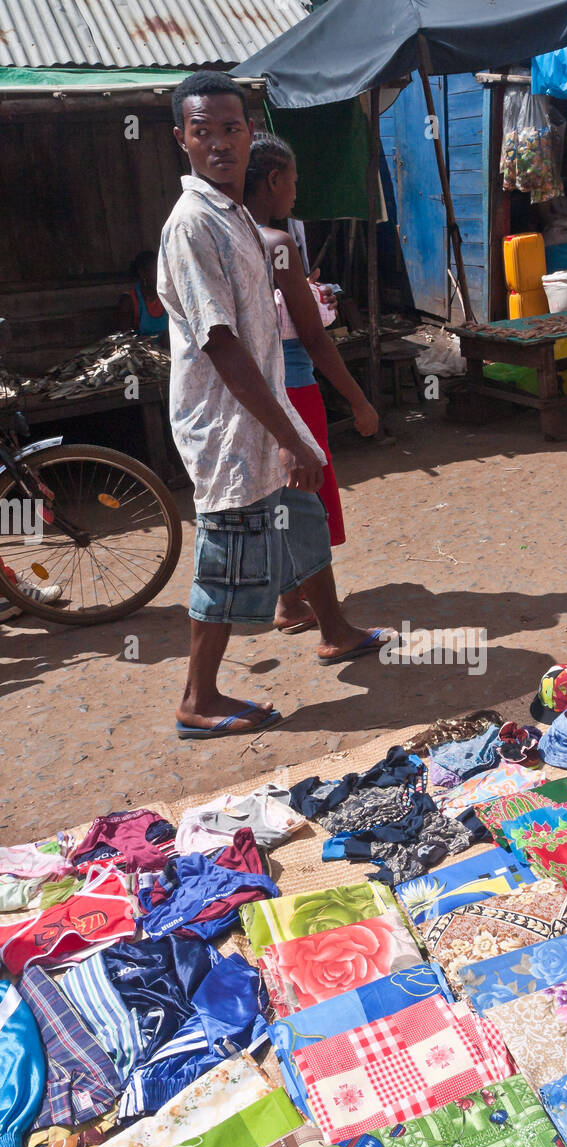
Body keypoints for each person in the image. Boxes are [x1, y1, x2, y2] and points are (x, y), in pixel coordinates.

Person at [158, 72, 389, 739]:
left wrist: (288, 429)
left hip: (263, 410)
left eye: (231, 128)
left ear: (247, 133)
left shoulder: (236, 218)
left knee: (303, 515)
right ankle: (198, 699)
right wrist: (287, 431)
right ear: (183, 138)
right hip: (229, 425)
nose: (220, 143)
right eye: (203, 130)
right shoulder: (194, 225)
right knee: (228, 555)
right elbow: (222, 346)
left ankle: (335, 630)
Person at [243, 133, 379, 635]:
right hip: (293, 390)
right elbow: (316, 340)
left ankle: (289, 602)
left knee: (281, 497)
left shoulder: (221, 236)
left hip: (247, 394)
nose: (296, 193)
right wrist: (360, 402)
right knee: (307, 500)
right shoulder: (275, 243)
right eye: (293, 181)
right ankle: (326, 624)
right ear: (274, 180)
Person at [118, 252, 170, 346]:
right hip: (142, 356)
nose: (163, 277)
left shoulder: (168, 297)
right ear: (143, 273)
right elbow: (125, 340)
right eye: (157, 272)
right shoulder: (129, 301)